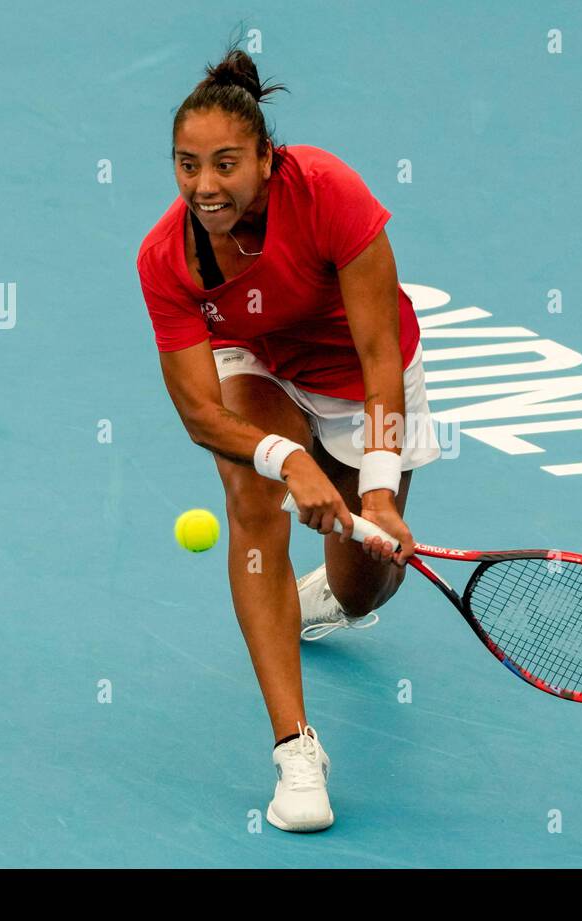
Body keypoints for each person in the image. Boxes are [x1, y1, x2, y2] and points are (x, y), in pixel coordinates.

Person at [136, 42, 442, 832]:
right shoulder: (167, 258)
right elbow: (203, 413)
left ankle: (323, 599)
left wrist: (376, 483)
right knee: (251, 495)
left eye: (226, 163)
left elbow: (380, 356)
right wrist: (285, 456)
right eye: (186, 165)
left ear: (267, 160)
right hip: (260, 364)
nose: (204, 185)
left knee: (365, 583)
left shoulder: (330, 193)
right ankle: (296, 751)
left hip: (356, 376)